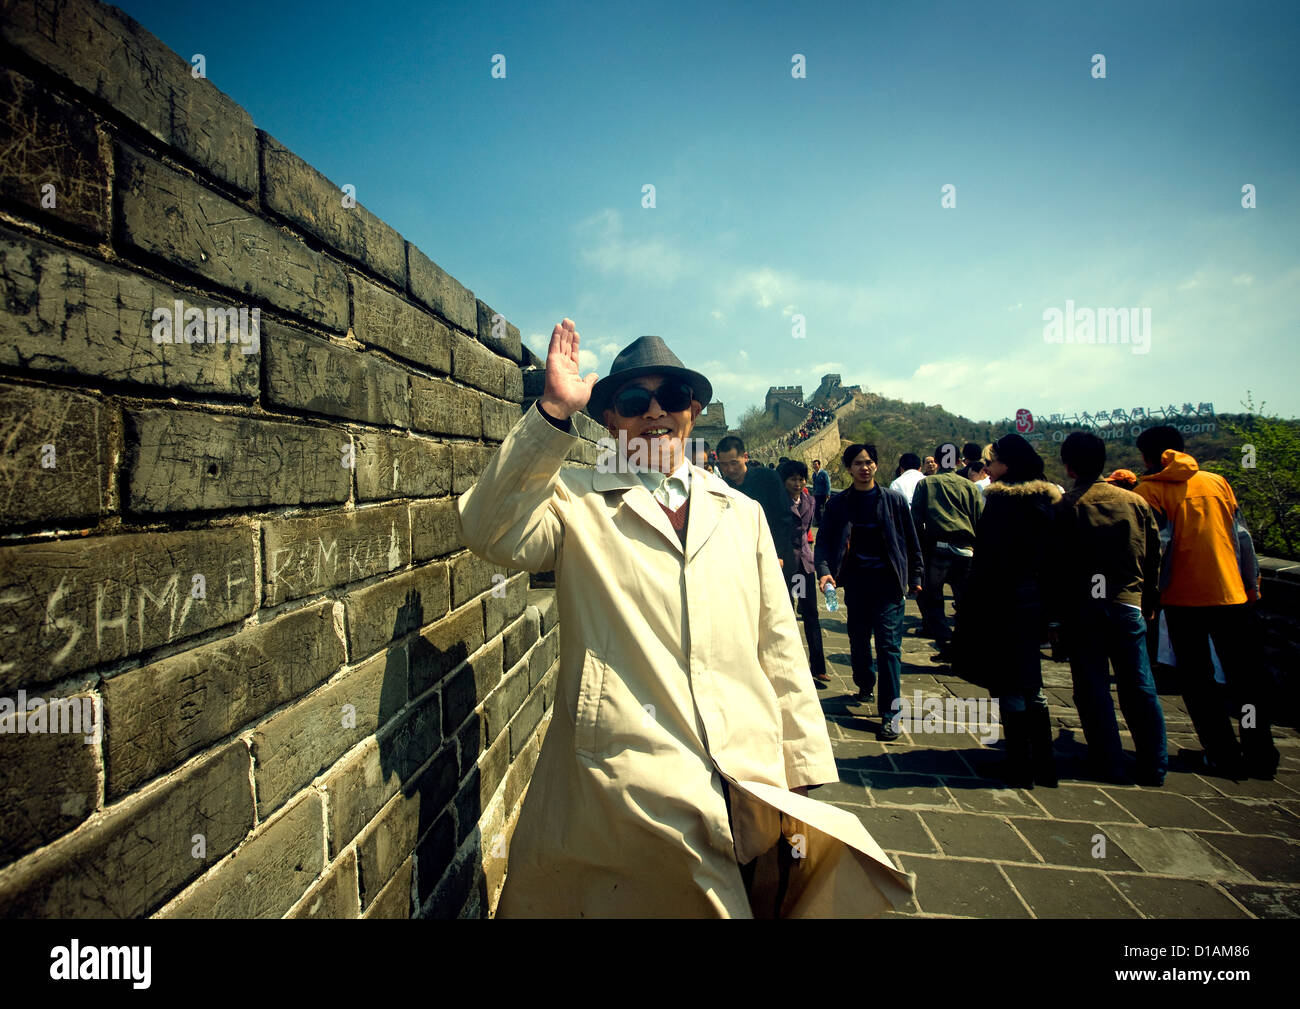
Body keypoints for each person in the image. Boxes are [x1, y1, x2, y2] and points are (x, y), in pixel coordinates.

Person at [457, 321, 910, 917]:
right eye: (632, 401)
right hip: (620, 784)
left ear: (693, 411)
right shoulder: (577, 500)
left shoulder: (741, 513)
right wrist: (551, 414)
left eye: (670, 398)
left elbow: (777, 643)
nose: (654, 413)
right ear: (612, 419)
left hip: (743, 775)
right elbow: (487, 528)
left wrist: (800, 769)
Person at [1133, 426, 1278, 780]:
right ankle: (1260, 753)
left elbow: (1157, 552)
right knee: (1246, 680)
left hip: (1183, 600)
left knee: (1199, 682)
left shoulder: (1149, 491)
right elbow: (1242, 538)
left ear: (1147, 457)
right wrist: (1251, 586)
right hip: (1231, 594)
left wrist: (1149, 598)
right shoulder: (1217, 483)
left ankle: (1222, 753)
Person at [1051, 432, 1168, 786]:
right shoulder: (1134, 502)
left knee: (1092, 686)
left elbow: (1056, 566)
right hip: (1126, 604)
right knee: (1140, 686)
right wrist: (1148, 600)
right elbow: (1152, 557)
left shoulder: (1066, 507)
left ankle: (1108, 760)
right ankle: (1153, 765)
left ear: (1069, 467)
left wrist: (1055, 617)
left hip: (1083, 609)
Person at [954, 433, 1061, 788]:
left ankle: (1019, 765)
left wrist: (970, 603)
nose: (987, 467)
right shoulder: (1048, 502)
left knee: (1008, 684)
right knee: (1032, 684)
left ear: (1008, 464)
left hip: (1003, 603)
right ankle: (1043, 765)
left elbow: (988, 562)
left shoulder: (1002, 505)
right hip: (1036, 603)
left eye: (993, 460)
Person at [814, 444, 923, 740]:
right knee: (859, 641)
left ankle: (890, 713)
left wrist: (915, 575)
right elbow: (823, 543)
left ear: (876, 466)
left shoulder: (894, 501)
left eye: (870, 462)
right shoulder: (838, 505)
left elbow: (911, 542)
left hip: (889, 584)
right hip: (857, 584)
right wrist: (824, 571)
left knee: (889, 647)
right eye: (859, 463)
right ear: (849, 468)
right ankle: (865, 682)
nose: (865, 467)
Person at [910, 443, 984, 648]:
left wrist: (917, 550)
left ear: (937, 461)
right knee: (965, 602)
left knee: (931, 598)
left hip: (936, 549)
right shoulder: (970, 486)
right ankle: (963, 645)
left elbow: (915, 521)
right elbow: (979, 520)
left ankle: (944, 639)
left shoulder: (927, 484)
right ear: (959, 461)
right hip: (966, 550)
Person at [778, 460, 830, 686]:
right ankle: (789, 665)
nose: (797, 483)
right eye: (792, 479)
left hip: (805, 565)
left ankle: (818, 666)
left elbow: (808, 532)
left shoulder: (810, 500)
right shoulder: (777, 503)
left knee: (811, 615)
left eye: (801, 479)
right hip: (784, 564)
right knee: (786, 615)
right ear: (784, 481)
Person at [716, 436, 797, 573]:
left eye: (734, 463)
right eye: (724, 464)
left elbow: (784, 517)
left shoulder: (768, 478)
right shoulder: (721, 487)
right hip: (741, 559)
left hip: (775, 554)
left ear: (745, 457)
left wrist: (778, 553)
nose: (729, 469)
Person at [811, 459, 831, 525]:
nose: (815, 466)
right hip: (816, 494)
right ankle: (819, 522)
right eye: (814, 465)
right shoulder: (814, 474)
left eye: (816, 464)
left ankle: (823, 522)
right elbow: (814, 484)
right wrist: (813, 492)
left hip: (823, 494)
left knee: (822, 508)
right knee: (816, 508)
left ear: (819, 465)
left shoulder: (824, 473)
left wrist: (828, 493)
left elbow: (827, 483)